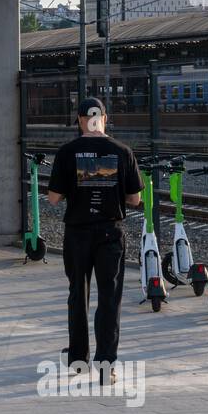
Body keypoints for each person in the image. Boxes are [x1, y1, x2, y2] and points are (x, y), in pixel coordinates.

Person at [46, 97, 142, 382]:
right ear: (105, 118)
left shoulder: (67, 152)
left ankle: (78, 361)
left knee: (78, 295)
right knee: (109, 298)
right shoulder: (123, 152)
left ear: (79, 120)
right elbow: (135, 199)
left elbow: (52, 199)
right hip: (111, 233)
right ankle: (105, 367)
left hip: (77, 233)